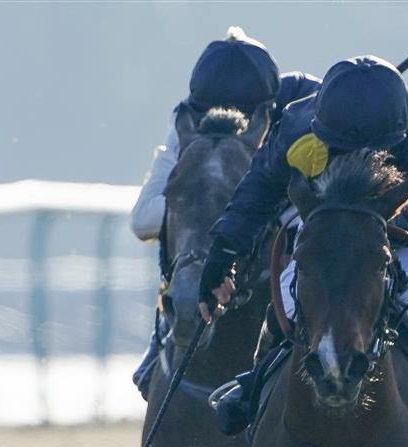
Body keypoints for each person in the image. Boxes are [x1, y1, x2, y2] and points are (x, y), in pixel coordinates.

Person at [198, 54, 408, 439]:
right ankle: (256, 385)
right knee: (291, 296)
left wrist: (374, 225)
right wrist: (223, 253)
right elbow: (255, 196)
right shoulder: (295, 127)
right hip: (331, 230)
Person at [129, 27, 319, 398]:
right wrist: (211, 203)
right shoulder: (186, 123)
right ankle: (163, 341)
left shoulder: (302, 115)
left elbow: (319, 208)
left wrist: (261, 209)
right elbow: (143, 220)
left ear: (265, 112)